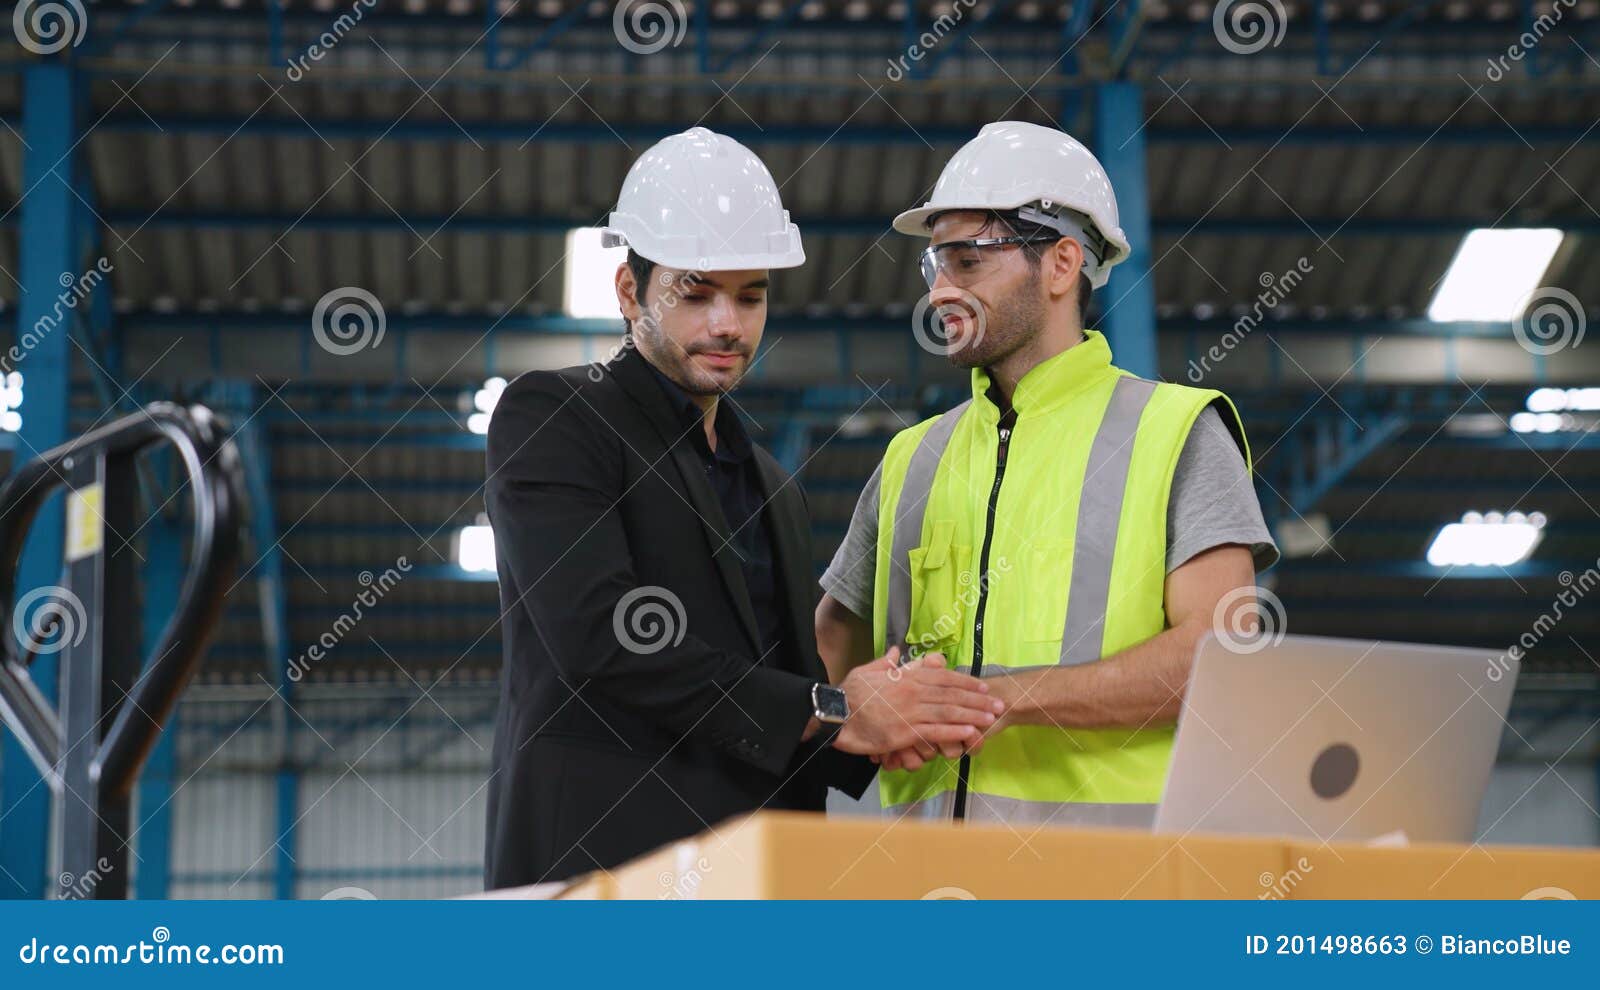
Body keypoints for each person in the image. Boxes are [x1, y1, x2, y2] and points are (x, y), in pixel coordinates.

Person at [483, 128, 1003, 887]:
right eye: (696, 293)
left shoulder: (771, 483)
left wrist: (894, 718)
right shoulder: (557, 418)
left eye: (750, 295)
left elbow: (783, 686)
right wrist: (836, 706)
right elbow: (598, 636)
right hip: (603, 875)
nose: (728, 323)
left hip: (762, 883)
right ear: (630, 293)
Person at [815, 121, 1280, 826]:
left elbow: (1220, 654)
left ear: (1062, 264)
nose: (940, 291)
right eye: (934, 265)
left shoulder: (1174, 432)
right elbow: (833, 644)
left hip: (1108, 900)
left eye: (967, 260)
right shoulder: (911, 458)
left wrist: (998, 696)